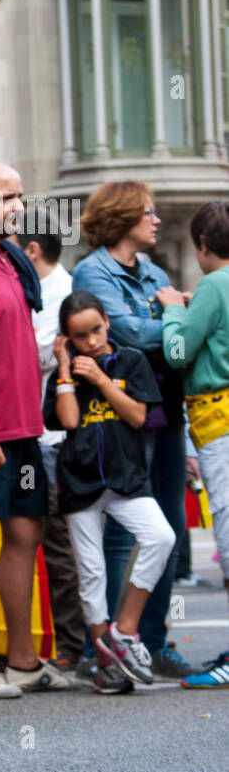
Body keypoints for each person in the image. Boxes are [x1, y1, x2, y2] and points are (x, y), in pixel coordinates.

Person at [73, 181, 198, 680]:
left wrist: (173, 323)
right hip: (120, 418)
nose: (157, 220)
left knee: (170, 526)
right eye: (148, 211)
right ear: (124, 217)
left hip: (165, 409)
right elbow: (130, 333)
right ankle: (101, 648)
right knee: (122, 534)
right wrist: (174, 313)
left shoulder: (154, 273)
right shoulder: (93, 272)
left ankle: (150, 640)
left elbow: (173, 348)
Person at [0, 162, 69, 696]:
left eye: (20, 196)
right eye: (8, 197)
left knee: (26, 532)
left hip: (25, 429)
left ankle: (21, 659)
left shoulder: (10, 257)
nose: (18, 207)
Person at [46, 291, 175, 692]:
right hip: (80, 481)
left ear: (106, 320)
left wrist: (101, 378)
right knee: (91, 571)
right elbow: (67, 420)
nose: (92, 342)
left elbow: (138, 416)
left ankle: (126, 630)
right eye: (79, 337)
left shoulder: (131, 361)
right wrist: (65, 367)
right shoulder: (63, 375)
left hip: (126, 478)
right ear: (67, 338)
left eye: (96, 330)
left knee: (161, 535)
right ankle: (107, 663)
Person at [15, 206, 88, 672]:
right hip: (41, 437)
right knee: (45, 541)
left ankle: (74, 645)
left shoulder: (60, 299)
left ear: (33, 250)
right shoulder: (47, 290)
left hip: (54, 439)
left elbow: (31, 356)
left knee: (60, 545)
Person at [160, 201, 229, 689]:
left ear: (202, 247)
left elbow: (179, 349)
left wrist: (171, 313)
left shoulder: (214, 285)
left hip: (220, 424)